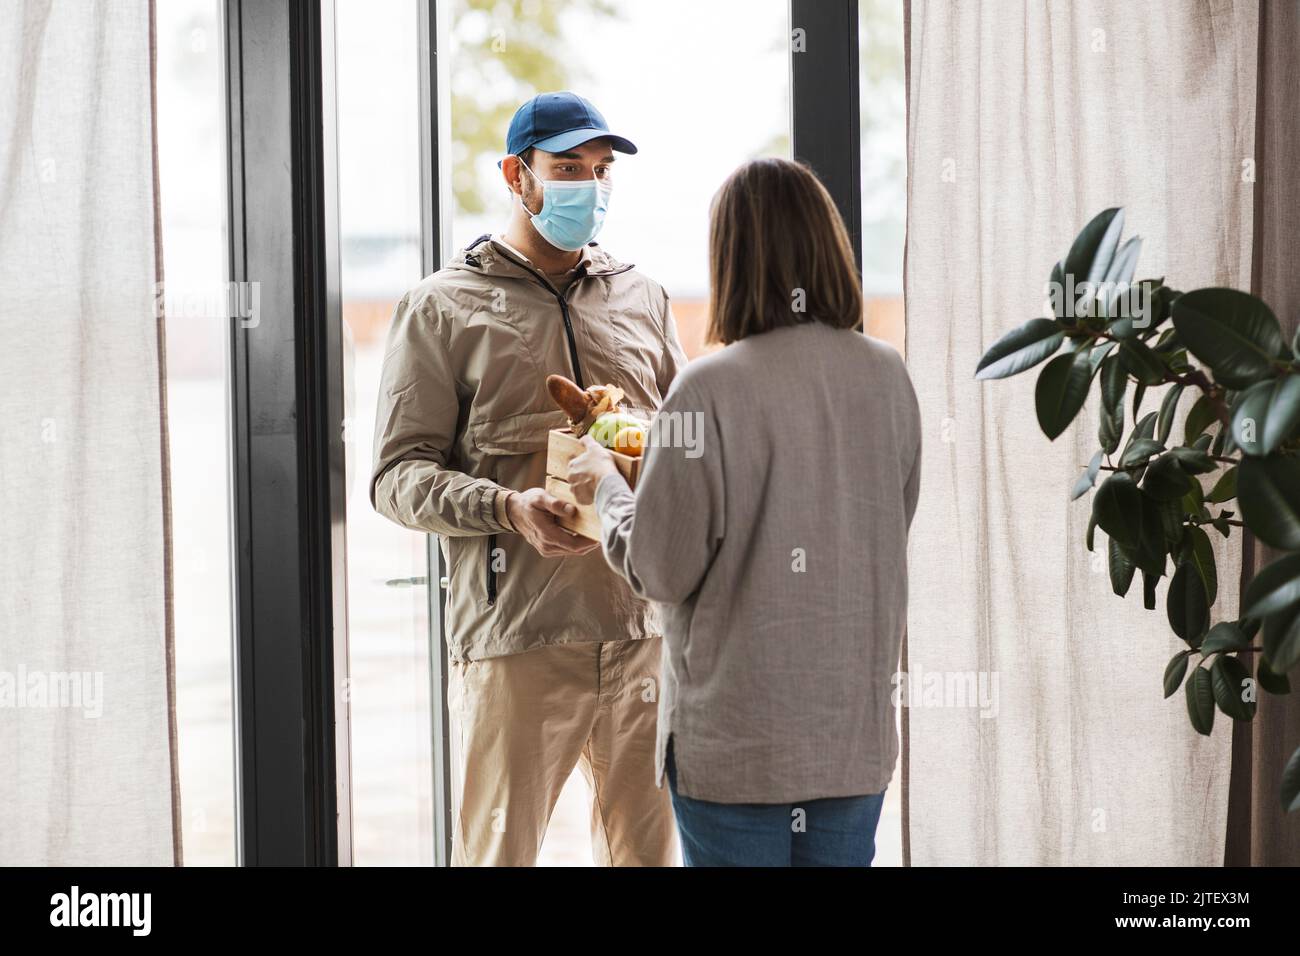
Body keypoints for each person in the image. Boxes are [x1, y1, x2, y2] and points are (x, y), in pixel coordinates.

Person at [567, 157, 922, 867]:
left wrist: (602, 481)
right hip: (851, 743)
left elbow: (660, 569)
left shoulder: (706, 390)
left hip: (736, 750)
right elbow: (885, 526)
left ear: (732, 259)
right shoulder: (889, 377)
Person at [370, 91, 686, 866]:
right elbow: (395, 477)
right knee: (497, 857)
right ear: (518, 175)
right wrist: (508, 507)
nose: (591, 187)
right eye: (569, 168)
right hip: (518, 644)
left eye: (602, 171)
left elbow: (686, 452)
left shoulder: (643, 299)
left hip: (643, 635)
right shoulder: (441, 308)